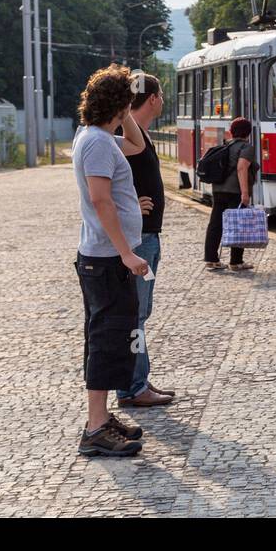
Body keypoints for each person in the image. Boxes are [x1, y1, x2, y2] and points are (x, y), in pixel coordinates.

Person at [71, 65, 151, 458]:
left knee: (110, 338)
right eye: (126, 102)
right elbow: (101, 200)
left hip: (102, 257)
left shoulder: (94, 136)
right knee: (105, 340)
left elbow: (137, 147)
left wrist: (126, 115)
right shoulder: (99, 144)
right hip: (106, 259)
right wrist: (126, 252)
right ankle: (96, 427)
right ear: (117, 104)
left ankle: (99, 420)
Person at [115, 73, 175, 410]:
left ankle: (138, 379)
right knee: (135, 314)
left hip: (147, 237)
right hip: (139, 240)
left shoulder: (135, 134)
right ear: (152, 99)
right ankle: (133, 388)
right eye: (161, 93)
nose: (163, 99)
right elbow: (104, 182)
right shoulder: (125, 137)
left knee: (141, 312)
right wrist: (131, 206)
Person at [203, 117, 257, 273]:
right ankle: (236, 262)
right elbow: (242, 168)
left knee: (215, 224)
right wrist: (245, 193)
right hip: (235, 191)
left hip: (218, 189)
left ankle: (211, 259)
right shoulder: (247, 147)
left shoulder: (225, 145)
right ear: (248, 132)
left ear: (232, 132)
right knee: (238, 225)